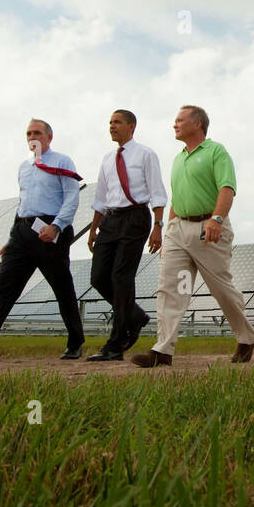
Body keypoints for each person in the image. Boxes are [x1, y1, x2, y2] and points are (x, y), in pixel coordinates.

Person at [0, 118, 85, 361]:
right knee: (3, 288)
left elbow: (71, 198)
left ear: (49, 137)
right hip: (22, 232)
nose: (33, 137)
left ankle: (75, 342)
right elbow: (23, 204)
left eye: (38, 133)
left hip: (49, 231)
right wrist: (12, 237)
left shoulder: (62, 161)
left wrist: (57, 226)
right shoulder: (24, 167)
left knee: (62, 288)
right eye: (29, 133)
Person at [129, 105, 254, 367]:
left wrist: (217, 219)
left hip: (207, 229)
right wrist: (169, 229)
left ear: (197, 124)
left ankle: (246, 337)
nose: (174, 124)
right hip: (178, 231)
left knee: (220, 288)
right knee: (170, 288)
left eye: (179, 120)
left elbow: (227, 188)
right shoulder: (178, 159)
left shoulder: (215, 151)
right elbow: (177, 197)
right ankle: (163, 349)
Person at [85, 109, 167, 361]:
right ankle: (135, 315)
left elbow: (157, 191)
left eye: (117, 122)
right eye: (110, 122)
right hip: (110, 220)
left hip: (135, 218)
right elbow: (101, 196)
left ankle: (116, 343)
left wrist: (158, 225)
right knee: (99, 277)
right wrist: (93, 227)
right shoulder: (108, 159)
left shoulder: (145, 154)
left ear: (132, 126)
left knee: (122, 277)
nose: (111, 126)